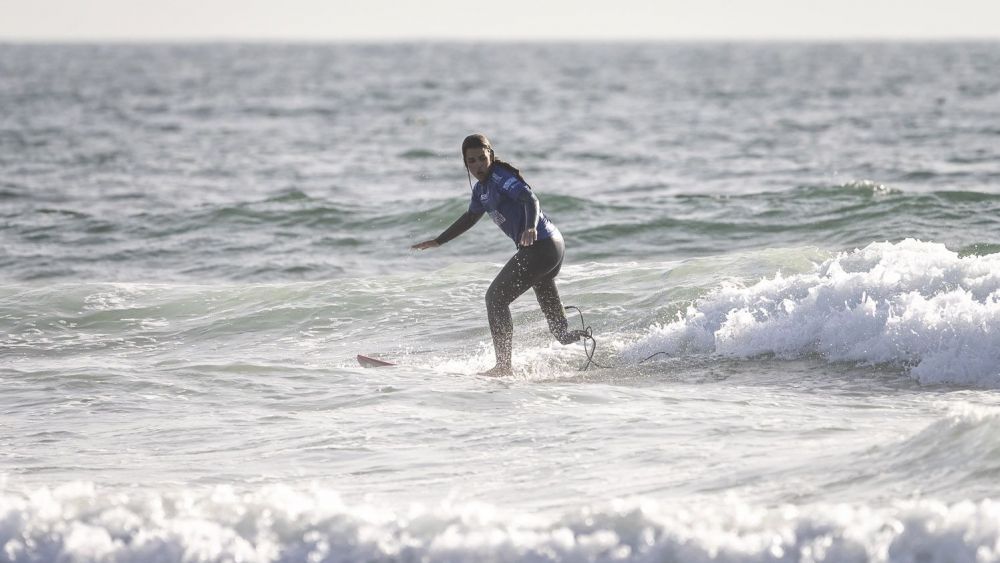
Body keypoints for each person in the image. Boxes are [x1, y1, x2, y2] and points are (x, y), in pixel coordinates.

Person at [411, 134, 585, 376]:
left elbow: (530, 199)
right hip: (549, 247)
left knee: (495, 298)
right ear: (466, 164)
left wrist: (531, 227)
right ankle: (587, 342)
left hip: (542, 245)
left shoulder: (501, 177)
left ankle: (503, 366)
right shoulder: (481, 190)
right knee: (559, 329)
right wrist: (439, 241)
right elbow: (470, 217)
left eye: (482, 158)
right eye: (472, 161)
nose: (478, 165)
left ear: (491, 155)